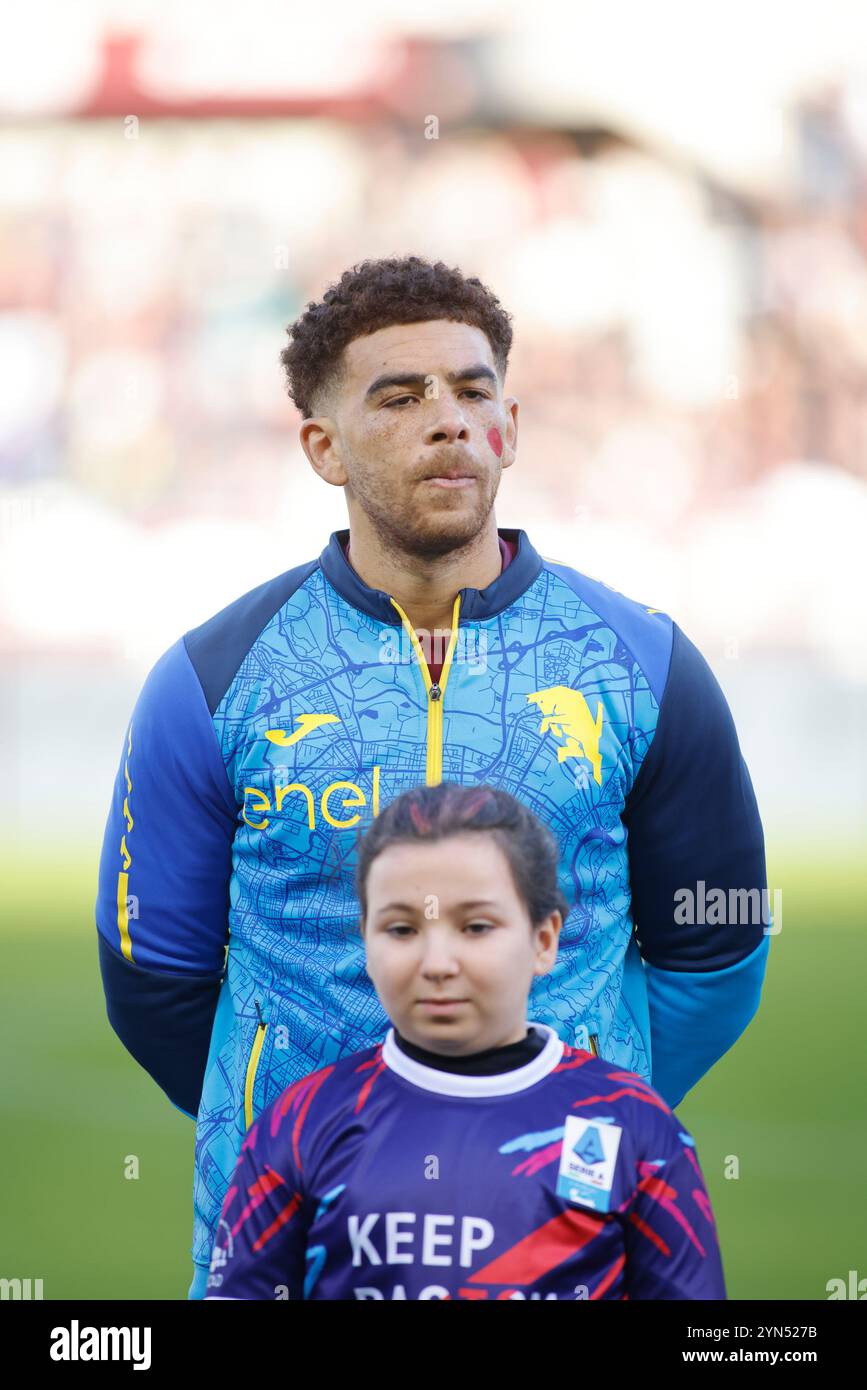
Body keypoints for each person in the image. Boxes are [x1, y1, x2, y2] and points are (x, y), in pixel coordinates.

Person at [94, 254, 768, 1300]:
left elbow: (716, 953)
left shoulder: (644, 664)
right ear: (322, 446)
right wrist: (309, 1125)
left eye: (473, 389)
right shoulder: (210, 680)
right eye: (400, 397)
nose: (448, 420)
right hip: (299, 1248)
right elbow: (154, 980)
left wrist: (559, 1105)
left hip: (570, 1246)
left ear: (510, 425)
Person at [204, 783, 726, 1301]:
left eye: (475, 927)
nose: (436, 964)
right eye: (402, 929)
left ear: (544, 940)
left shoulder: (635, 1127)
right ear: (365, 938)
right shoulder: (299, 1125)